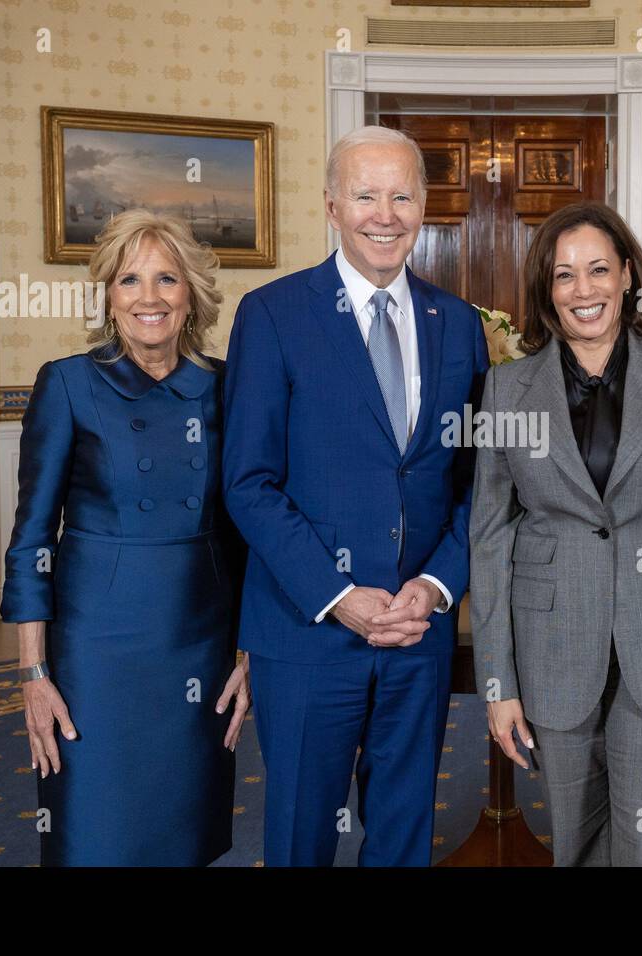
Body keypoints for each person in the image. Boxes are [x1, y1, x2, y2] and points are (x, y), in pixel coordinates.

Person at [222, 125, 489, 866]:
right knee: (302, 834)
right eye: (366, 194)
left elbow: (478, 483)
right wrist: (339, 594)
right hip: (307, 632)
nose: (385, 212)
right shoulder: (273, 314)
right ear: (332, 205)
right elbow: (248, 482)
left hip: (417, 633)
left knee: (404, 837)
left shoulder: (459, 324)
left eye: (402, 195)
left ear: (424, 206)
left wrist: (436, 589)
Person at [469, 201, 642, 866]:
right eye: (565, 276)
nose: (584, 289)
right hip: (553, 647)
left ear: (627, 274)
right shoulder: (506, 391)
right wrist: (497, 685)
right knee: (575, 843)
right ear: (546, 290)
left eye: (599, 269)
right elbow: (490, 538)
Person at [1, 210, 250, 866]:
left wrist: (249, 653)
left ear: (191, 292)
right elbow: (31, 539)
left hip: (198, 641)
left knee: (184, 825)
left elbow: (248, 532)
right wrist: (32, 673)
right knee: (93, 828)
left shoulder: (226, 388)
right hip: (96, 651)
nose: (149, 297)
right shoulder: (68, 383)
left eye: (166, 278)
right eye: (129, 280)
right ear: (107, 296)